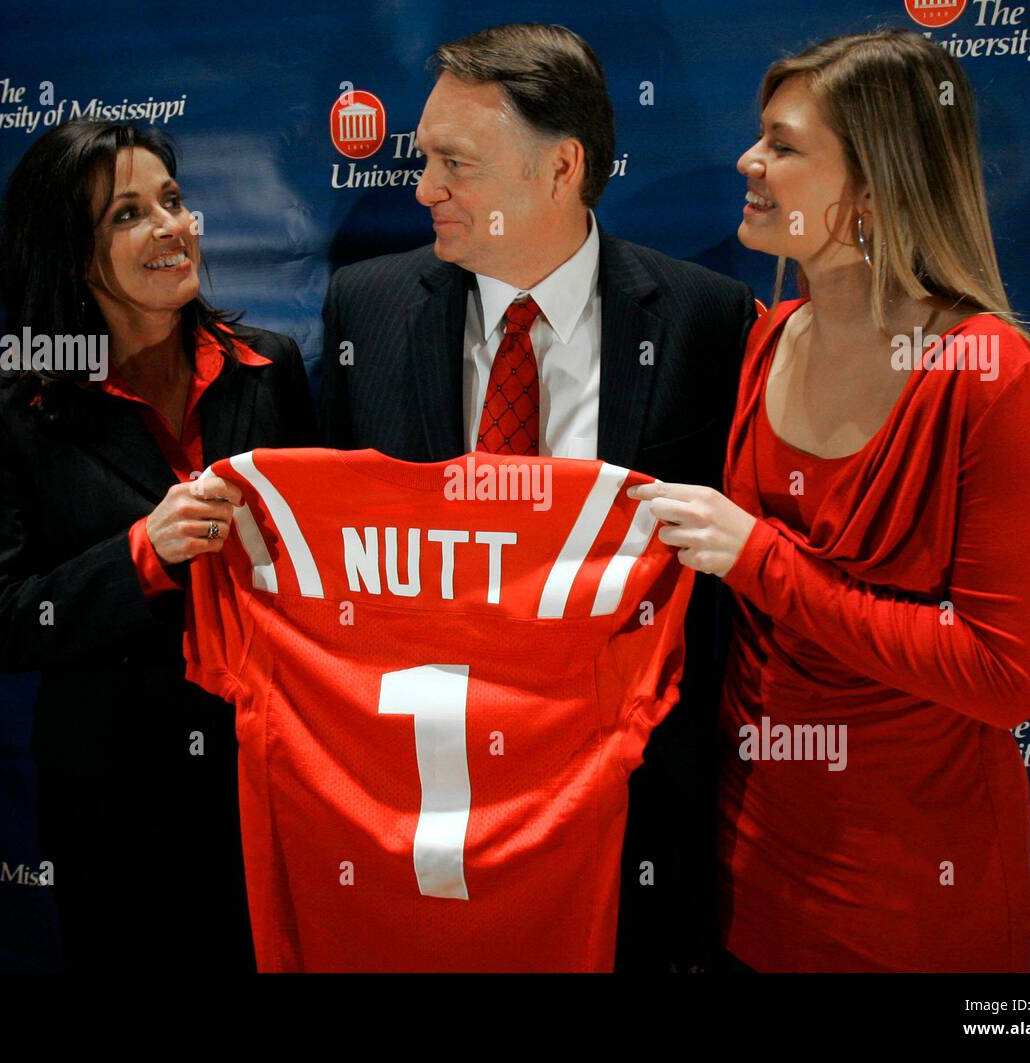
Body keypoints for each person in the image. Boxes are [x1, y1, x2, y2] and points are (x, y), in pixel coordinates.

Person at [629, 28, 1030, 971]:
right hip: (748, 856)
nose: (749, 161)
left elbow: (1004, 675)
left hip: (910, 888)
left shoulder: (984, 373)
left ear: (873, 187)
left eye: (784, 146)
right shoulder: (768, 334)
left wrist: (760, 559)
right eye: (761, 137)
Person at [319, 22, 755, 972]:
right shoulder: (367, 308)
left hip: (626, 807)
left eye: (454, 164)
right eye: (423, 157)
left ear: (560, 170)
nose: (424, 187)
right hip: (423, 806)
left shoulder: (706, 321)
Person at [0, 119, 318, 971]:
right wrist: (143, 553)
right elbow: (0, 619)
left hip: (273, 777)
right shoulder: (8, 409)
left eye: (174, 201)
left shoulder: (273, 366)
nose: (171, 226)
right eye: (127, 214)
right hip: (117, 800)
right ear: (73, 256)